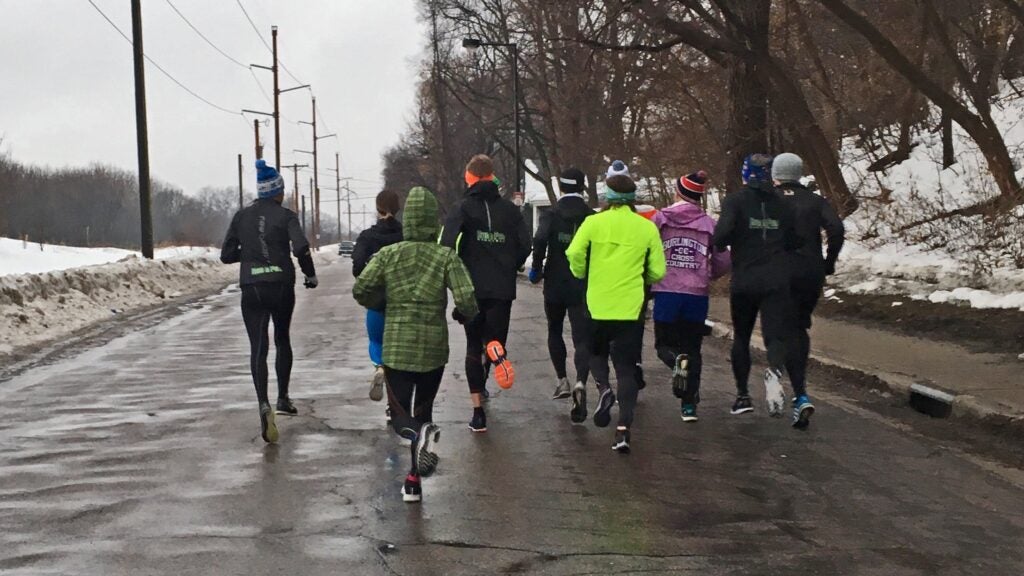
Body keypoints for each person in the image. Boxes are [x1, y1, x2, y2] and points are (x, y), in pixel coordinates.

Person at [353, 187, 479, 502]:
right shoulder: (445, 256)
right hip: (433, 350)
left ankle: (415, 450)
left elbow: (361, 289)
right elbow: (467, 297)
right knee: (423, 410)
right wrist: (462, 313)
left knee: (400, 416)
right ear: (433, 221)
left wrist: (381, 302)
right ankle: (413, 481)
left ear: (408, 220)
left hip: (396, 349)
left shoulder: (388, 255)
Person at [566, 161, 666, 453]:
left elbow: (573, 252)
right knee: (626, 366)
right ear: (632, 199)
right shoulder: (646, 228)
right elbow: (658, 272)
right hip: (630, 308)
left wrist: (582, 272)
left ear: (608, 198)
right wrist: (641, 277)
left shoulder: (594, 223)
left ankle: (604, 389)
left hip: (598, 304)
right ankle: (623, 430)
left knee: (596, 352)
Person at [220, 159, 317, 444]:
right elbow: (300, 247)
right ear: (277, 191)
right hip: (281, 285)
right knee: (282, 340)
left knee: (258, 347)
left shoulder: (241, 217)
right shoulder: (286, 216)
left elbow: (226, 255)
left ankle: (263, 403)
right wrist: (310, 275)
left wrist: (249, 255)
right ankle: (283, 398)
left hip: (252, 288)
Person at [440, 154, 531, 433]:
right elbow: (525, 244)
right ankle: (494, 352)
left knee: (472, 344)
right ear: (492, 177)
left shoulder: (462, 208)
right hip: (502, 288)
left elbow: (446, 244)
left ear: (469, 178)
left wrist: (456, 276)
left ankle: (478, 411)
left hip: (472, 287)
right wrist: (511, 265)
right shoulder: (511, 210)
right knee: (493, 342)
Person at [712, 154, 800, 421]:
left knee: (741, 336)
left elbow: (720, 238)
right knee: (775, 335)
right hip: (776, 278)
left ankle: (742, 396)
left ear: (745, 174)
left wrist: (736, 238)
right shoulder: (784, 203)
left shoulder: (735, 201)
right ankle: (773, 371)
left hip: (745, 280)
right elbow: (796, 239)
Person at [772, 153, 845, 429]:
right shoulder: (816, 201)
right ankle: (798, 391)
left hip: (777, 272)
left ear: (775, 175)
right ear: (800, 174)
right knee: (798, 328)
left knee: (782, 328)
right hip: (809, 273)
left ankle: (793, 389)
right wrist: (828, 262)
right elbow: (836, 229)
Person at [651, 171, 731, 422]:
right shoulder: (709, 224)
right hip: (696, 294)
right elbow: (722, 259)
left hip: (666, 291)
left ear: (678, 192)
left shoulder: (660, 219)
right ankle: (689, 406)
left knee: (663, 345)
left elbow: (647, 248)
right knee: (693, 349)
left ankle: (675, 362)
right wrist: (709, 275)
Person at [529, 168, 595, 417]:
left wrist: (536, 269)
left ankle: (562, 380)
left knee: (554, 330)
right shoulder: (591, 216)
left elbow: (539, 240)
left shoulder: (551, 214)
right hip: (584, 284)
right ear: (581, 188)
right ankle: (580, 381)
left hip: (555, 282)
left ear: (562, 188)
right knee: (582, 337)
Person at [352, 190, 404, 403]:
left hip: (376, 301)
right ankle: (395, 407)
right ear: (398, 209)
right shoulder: (406, 235)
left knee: (376, 341)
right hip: (402, 300)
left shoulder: (367, 237)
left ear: (377, 209)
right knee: (400, 350)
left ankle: (379, 366)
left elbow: (357, 267)